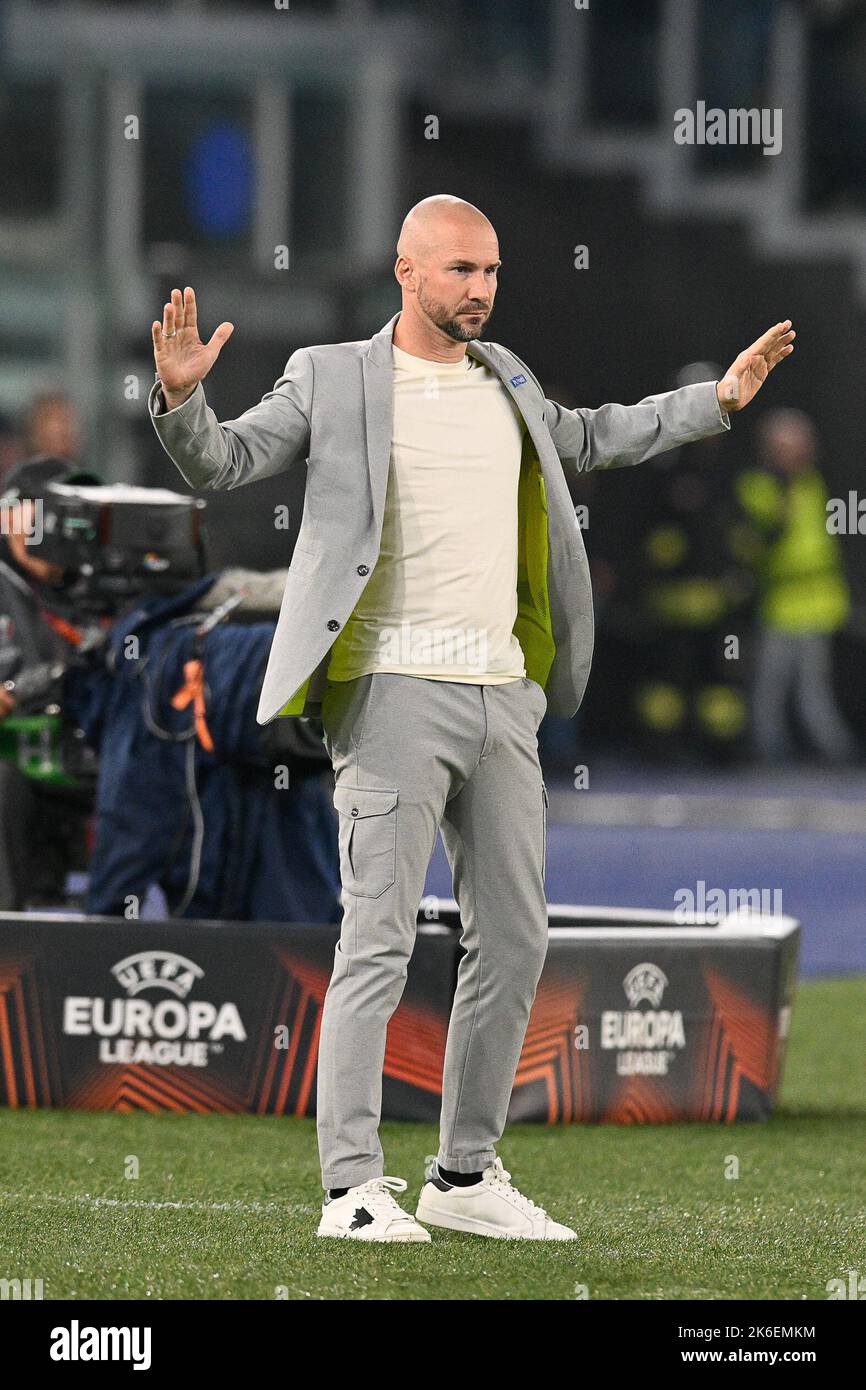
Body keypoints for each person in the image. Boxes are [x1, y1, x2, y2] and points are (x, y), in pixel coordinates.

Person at [148, 195, 794, 1242]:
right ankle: (351, 1188)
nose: (480, 289)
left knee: (515, 939)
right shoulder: (331, 373)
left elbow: (590, 438)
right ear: (405, 270)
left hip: (502, 697)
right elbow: (220, 462)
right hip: (390, 690)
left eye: (490, 271)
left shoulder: (513, 379)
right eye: (459, 270)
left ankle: (462, 1175)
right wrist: (180, 400)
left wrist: (711, 402)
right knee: (377, 941)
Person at [736, 408, 856, 764]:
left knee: (812, 688)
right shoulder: (757, 486)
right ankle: (766, 748)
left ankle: (835, 750)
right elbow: (758, 541)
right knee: (770, 685)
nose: (799, 453)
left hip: (818, 604)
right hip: (779, 604)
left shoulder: (814, 483)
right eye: (788, 447)